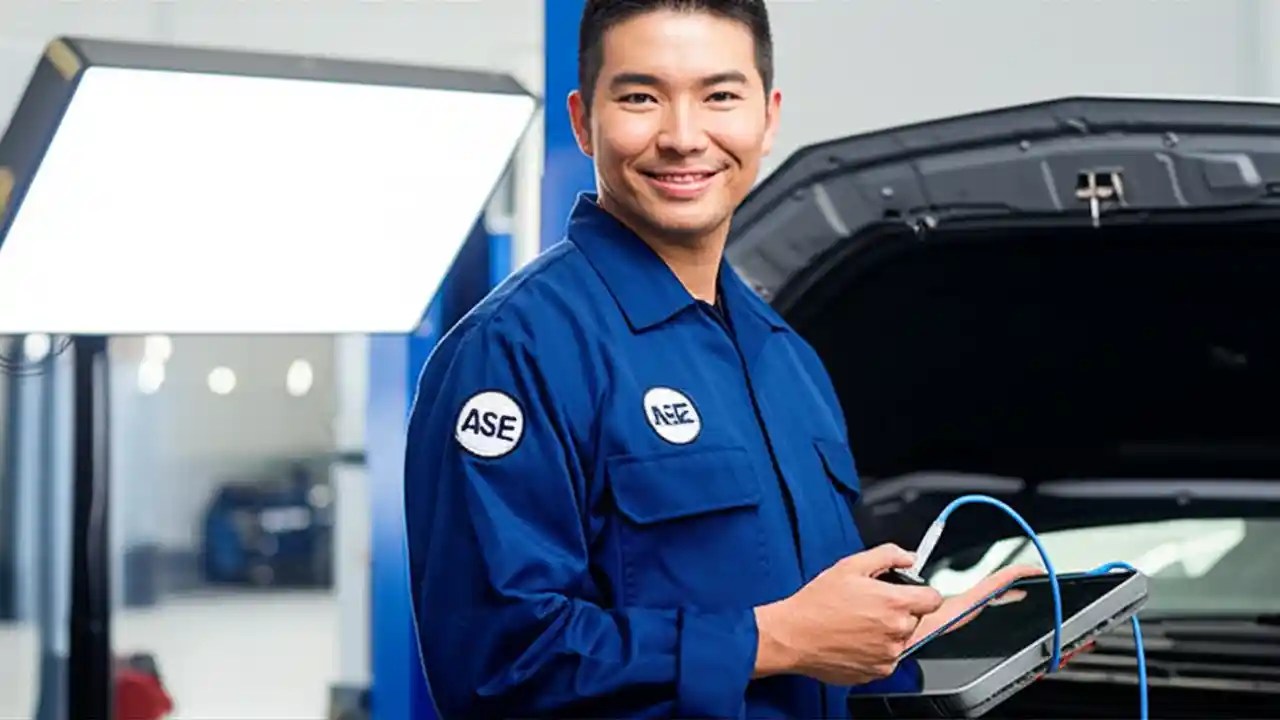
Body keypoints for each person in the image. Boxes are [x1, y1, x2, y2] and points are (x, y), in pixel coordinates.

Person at [403, 1, 1039, 717]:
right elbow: (497, 667)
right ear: (583, 121)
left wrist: (912, 638)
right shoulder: (515, 350)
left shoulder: (787, 359)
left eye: (720, 97)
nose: (683, 137)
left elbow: (823, 641)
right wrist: (773, 640)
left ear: (767, 119)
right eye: (641, 97)